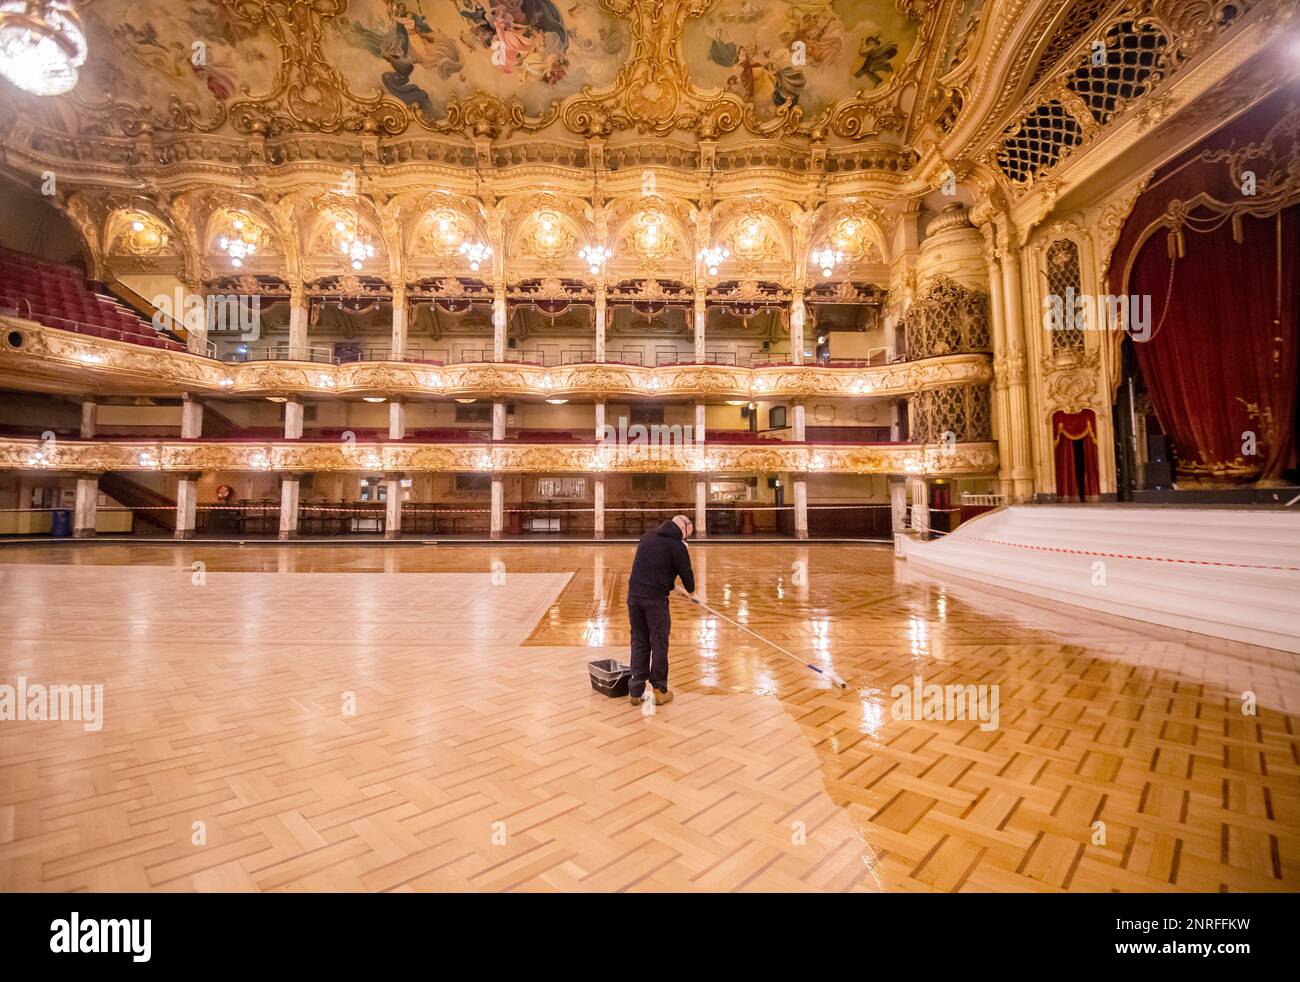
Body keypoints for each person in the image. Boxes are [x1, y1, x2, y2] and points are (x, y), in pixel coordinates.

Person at [625, 514, 696, 706]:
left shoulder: (647, 536)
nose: (685, 540)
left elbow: (653, 569)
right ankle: (659, 690)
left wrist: (674, 588)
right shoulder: (677, 545)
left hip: (634, 597)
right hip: (655, 602)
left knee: (639, 640)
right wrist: (691, 592)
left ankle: (635, 690)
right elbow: (687, 575)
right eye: (687, 536)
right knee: (659, 642)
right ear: (684, 529)